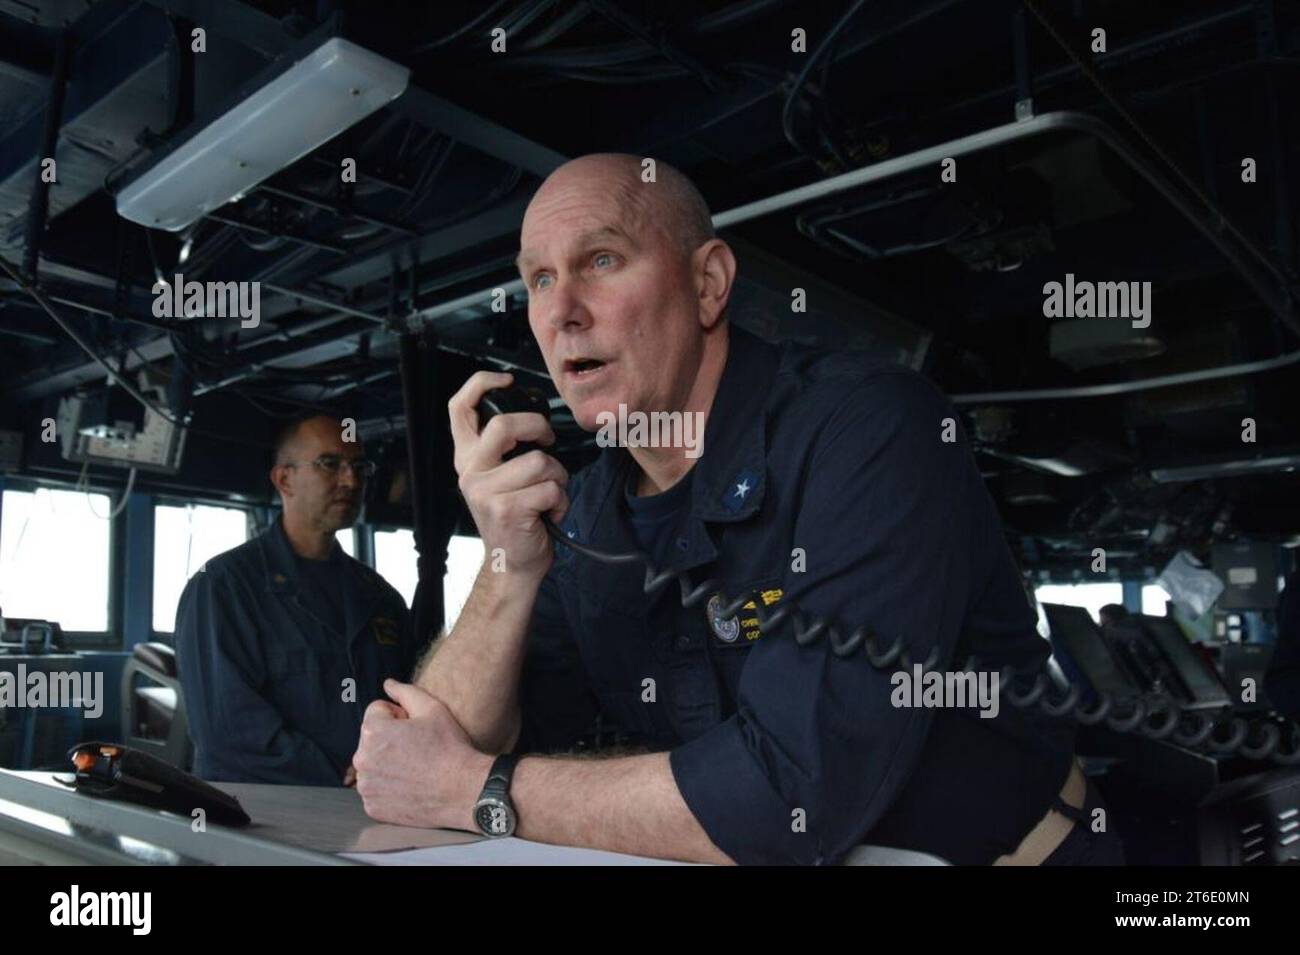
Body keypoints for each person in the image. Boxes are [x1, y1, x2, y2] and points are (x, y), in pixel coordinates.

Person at [351, 153, 1122, 865]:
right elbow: (429, 758)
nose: (562, 313)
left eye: (602, 260)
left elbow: (793, 793)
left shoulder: (869, 427)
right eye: (539, 281)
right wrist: (507, 561)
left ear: (710, 284)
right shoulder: (586, 507)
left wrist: (479, 792)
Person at [176, 415, 421, 785]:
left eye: (359, 467)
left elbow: (411, 699)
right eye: (330, 464)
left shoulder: (380, 597)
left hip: (374, 807)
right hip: (260, 814)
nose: (351, 481)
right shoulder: (224, 587)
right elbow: (226, 731)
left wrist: (393, 761)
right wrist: (343, 775)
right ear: (284, 479)